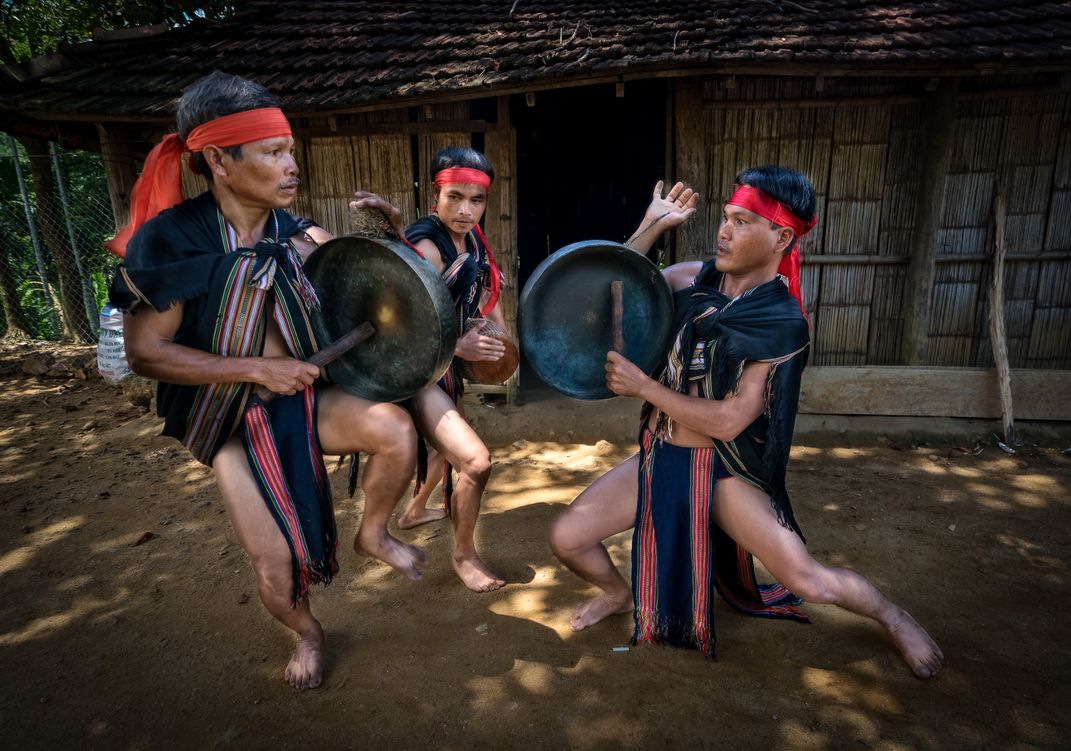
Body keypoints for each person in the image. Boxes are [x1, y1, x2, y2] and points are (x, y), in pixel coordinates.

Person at [548, 167, 944, 678]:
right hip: (661, 453)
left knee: (811, 582)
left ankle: (892, 615)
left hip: (723, 469)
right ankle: (618, 592)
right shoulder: (692, 279)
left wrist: (644, 388)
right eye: (725, 217)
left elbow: (732, 420)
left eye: (741, 221)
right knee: (566, 537)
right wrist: (651, 225)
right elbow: (614, 281)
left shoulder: (784, 323)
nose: (723, 230)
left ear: (781, 236)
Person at [107, 72, 426, 690]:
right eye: (273, 152)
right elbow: (147, 353)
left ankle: (374, 531)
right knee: (275, 567)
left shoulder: (299, 235)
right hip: (224, 415)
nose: (291, 165)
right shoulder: (172, 241)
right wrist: (258, 368)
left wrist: (447, 333)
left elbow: (379, 294)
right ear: (220, 160)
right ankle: (308, 631)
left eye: (290, 150)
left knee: (395, 431)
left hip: (301, 398)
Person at [396, 146, 508, 592]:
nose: (466, 210)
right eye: (455, 197)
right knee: (476, 462)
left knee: (445, 446)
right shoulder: (425, 246)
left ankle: (414, 511)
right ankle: (464, 556)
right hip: (416, 370)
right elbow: (399, 324)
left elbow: (482, 291)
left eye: (476, 200)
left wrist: (503, 339)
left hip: (445, 365)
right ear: (434, 196)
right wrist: (458, 344)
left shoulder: (473, 239)